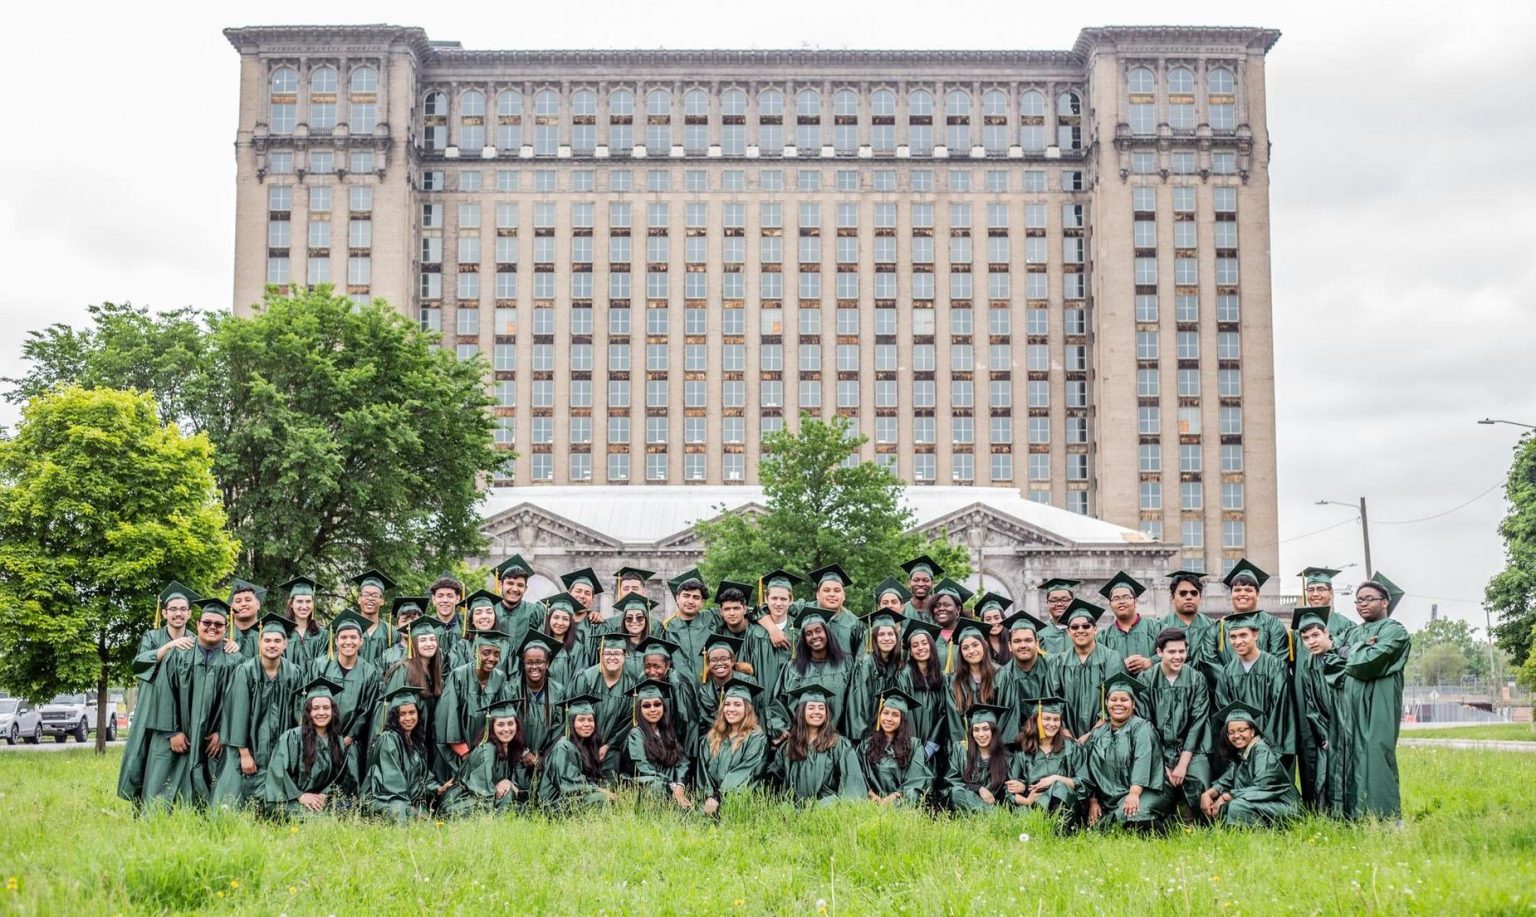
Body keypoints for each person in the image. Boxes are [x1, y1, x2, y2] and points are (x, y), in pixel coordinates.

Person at [134, 597, 243, 809]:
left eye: (218, 624)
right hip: (179, 733)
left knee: (212, 786)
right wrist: (172, 732)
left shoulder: (235, 661)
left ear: (226, 628)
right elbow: (164, 693)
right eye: (207, 623)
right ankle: (162, 817)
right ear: (198, 624)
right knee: (166, 783)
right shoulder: (177, 655)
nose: (212, 627)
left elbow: (236, 702)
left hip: (212, 736)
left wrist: (224, 733)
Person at [1322, 574, 1411, 821]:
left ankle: (1382, 818)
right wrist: (1356, 648)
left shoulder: (1395, 631)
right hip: (1348, 707)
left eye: (1369, 599)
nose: (1362, 604)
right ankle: (1350, 817)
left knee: (1375, 755)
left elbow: (1369, 661)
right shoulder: (1353, 632)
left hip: (1378, 705)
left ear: (1385, 602)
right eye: (1358, 600)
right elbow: (1330, 662)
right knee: (1348, 756)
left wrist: (1349, 652)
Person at [118, 581, 199, 805]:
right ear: (164, 613)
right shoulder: (152, 637)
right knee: (146, 757)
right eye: (173, 609)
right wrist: (169, 647)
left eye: (183, 609)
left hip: (183, 710)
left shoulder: (195, 640)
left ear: (190, 613)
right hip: (151, 708)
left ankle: (180, 805)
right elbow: (139, 664)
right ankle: (143, 804)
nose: (178, 613)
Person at [213, 613, 304, 809]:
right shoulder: (245, 671)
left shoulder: (294, 673)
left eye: (277, 641)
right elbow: (237, 714)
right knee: (238, 796)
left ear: (285, 644)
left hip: (279, 743)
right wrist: (244, 753)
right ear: (259, 643)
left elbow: (299, 712)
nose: (272, 645)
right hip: (248, 744)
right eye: (268, 640)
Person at [1292, 566, 1356, 811]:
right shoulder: (1299, 631)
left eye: (1320, 589)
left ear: (1331, 592)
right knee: (1310, 754)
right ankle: (1314, 807)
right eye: (1311, 589)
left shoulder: (1346, 625)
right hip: (1308, 700)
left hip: (1337, 701)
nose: (1315, 594)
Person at [1080, 672, 1174, 830]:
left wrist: (1134, 793)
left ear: (1133, 704)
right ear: (1106, 702)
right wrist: (1094, 801)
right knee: (1123, 816)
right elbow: (1089, 769)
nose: (1118, 704)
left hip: (1148, 791)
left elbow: (1143, 761)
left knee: (1132, 813)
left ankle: (1112, 826)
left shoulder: (1142, 728)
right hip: (1113, 798)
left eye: (1124, 700)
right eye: (1113, 699)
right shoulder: (1097, 733)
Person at [1139, 628, 1212, 817]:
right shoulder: (1146, 679)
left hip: (1192, 750)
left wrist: (1182, 764)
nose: (1178, 657)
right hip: (1157, 750)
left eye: (1182, 651)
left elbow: (1198, 722)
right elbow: (1145, 725)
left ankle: (1191, 816)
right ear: (1159, 652)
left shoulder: (1196, 679)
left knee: (1200, 784)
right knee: (1152, 793)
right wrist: (1161, 763)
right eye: (1171, 652)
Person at [306, 611, 380, 787]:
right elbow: (309, 701)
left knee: (350, 783)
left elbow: (366, 709)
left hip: (351, 740)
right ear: (336, 641)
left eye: (354, 637)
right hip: (319, 736)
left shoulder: (370, 673)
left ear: (361, 641)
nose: (349, 641)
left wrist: (348, 737)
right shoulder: (320, 665)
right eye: (344, 637)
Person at [263, 676, 354, 818]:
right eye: (315, 708)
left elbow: (340, 778)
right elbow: (278, 772)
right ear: (308, 712)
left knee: (348, 809)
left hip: (320, 800)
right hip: (291, 799)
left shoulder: (337, 741)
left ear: (333, 711)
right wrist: (301, 796)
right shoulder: (291, 737)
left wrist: (324, 795)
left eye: (326, 708)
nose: (321, 713)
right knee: (319, 818)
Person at [1214, 610, 1296, 766]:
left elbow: (1280, 710)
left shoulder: (1275, 667)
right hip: (1240, 748)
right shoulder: (1227, 672)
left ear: (1256, 634)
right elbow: (1226, 709)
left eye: (1243, 635)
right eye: (1233, 636)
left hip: (1272, 748)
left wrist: (1263, 745)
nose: (1238, 641)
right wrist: (1241, 741)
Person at [1200, 701, 1301, 826]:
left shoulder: (1261, 751)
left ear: (1252, 731)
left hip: (1286, 808)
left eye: (1241, 730)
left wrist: (1226, 796)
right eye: (1231, 732)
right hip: (1268, 806)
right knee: (1229, 805)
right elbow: (1226, 780)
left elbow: (1263, 787)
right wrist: (1207, 794)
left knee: (1235, 806)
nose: (1236, 736)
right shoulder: (1242, 754)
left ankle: (1257, 834)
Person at [361, 686, 450, 822]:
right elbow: (391, 784)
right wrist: (411, 810)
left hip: (408, 802)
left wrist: (438, 788)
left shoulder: (415, 741)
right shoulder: (388, 739)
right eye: (402, 714)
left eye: (412, 712)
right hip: (387, 801)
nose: (408, 718)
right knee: (403, 814)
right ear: (394, 717)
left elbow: (423, 778)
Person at [769, 605, 857, 740]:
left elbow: (854, 700)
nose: (814, 636)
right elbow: (778, 702)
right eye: (808, 634)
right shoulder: (792, 668)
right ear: (803, 639)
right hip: (801, 739)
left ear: (827, 633)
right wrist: (781, 728)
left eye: (818, 631)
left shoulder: (846, 663)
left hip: (837, 738)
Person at [379, 617, 450, 781]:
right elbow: (390, 708)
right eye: (423, 640)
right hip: (404, 737)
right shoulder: (403, 670)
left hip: (424, 735)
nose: (429, 644)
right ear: (413, 644)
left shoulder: (434, 673)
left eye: (432, 639)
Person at [772, 685, 867, 805]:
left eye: (821, 708)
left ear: (826, 713)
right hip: (793, 809)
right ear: (801, 712)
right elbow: (774, 780)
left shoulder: (838, 744)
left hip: (826, 808)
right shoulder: (788, 746)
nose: (817, 712)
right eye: (811, 707)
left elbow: (852, 780)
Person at [436, 627, 514, 772]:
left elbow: (503, 715)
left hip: (488, 751)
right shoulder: (458, 676)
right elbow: (448, 716)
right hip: (459, 752)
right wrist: (465, 753)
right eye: (486, 653)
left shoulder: (500, 678)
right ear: (474, 652)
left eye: (497, 654)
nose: (492, 658)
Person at [438, 699, 532, 817]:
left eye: (510, 723)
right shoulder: (487, 750)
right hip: (460, 802)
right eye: (500, 724)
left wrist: (510, 784)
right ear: (491, 727)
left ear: (517, 725)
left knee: (518, 805)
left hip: (485, 798)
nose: (507, 729)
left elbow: (520, 789)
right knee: (508, 803)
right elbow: (482, 793)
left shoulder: (513, 749)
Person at [1295, 605, 1345, 813]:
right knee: (1324, 775)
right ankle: (1328, 817)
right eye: (1306, 638)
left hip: (1349, 726)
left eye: (1316, 635)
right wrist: (1324, 735)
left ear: (1326, 632)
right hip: (1327, 729)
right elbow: (1311, 706)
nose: (1312, 641)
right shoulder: (1308, 665)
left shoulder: (1344, 656)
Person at [570, 634, 639, 779]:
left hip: (610, 749)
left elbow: (627, 722)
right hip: (581, 744)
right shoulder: (585, 678)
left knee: (610, 787)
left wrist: (608, 745)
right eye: (607, 653)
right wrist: (584, 745)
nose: (612, 657)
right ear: (600, 654)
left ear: (625, 655)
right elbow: (573, 713)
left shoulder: (631, 686)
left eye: (617, 653)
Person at [695, 679, 768, 815]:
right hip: (709, 802)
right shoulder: (711, 738)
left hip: (739, 800)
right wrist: (709, 796)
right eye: (727, 704)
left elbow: (745, 772)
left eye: (737, 705)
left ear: (747, 709)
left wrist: (718, 796)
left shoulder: (755, 738)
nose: (731, 709)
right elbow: (703, 773)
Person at [537, 694, 618, 811]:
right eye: (581, 720)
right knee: (601, 798)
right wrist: (599, 790)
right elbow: (569, 784)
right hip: (554, 804)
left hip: (571, 799)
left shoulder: (586, 745)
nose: (587, 724)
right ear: (571, 723)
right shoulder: (563, 747)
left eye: (590, 720)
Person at [1055, 598, 1120, 742]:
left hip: (1105, 735)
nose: (1080, 630)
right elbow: (1054, 699)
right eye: (1075, 627)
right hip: (1067, 737)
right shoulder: (1060, 662)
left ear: (1095, 629)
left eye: (1086, 626)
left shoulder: (1111, 657)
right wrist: (1064, 731)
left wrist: (1092, 734)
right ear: (1068, 632)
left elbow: (1116, 697)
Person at [621, 679, 692, 809]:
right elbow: (641, 768)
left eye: (657, 704)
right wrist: (671, 785)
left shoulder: (667, 733)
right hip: (647, 785)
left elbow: (682, 761)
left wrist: (680, 784)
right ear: (639, 709)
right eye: (646, 706)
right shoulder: (636, 734)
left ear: (663, 707)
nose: (653, 709)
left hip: (670, 785)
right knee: (657, 787)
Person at [857, 689, 932, 806]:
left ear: (902, 720)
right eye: (885, 713)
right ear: (880, 715)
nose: (888, 719)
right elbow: (858, 773)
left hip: (898, 799)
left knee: (912, 795)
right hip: (872, 798)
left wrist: (893, 797)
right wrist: (871, 794)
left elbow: (916, 778)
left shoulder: (914, 745)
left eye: (895, 715)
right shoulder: (866, 744)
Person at [993, 611, 1057, 744]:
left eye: (1028, 640)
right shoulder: (1002, 676)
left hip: (1050, 739)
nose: (1023, 645)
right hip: (1015, 743)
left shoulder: (1053, 667)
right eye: (1017, 641)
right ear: (1010, 646)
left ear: (1037, 642)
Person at [895, 618, 950, 769]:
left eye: (924, 643)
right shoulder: (904, 675)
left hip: (935, 741)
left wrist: (931, 745)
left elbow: (944, 712)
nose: (920, 648)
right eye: (915, 645)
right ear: (911, 652)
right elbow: (902, 711)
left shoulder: (941, 677)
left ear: (932, 647)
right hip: (909, 738)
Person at [1014, 696, 1081, 817]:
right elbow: (1010, 789)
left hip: (1064, 808)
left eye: (1056, 719)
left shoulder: (1071, 748)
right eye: (1047, 719)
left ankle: (1058, 829)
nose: (1052, 724)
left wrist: (1056, 778)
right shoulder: (1022, 752)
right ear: (1036, 720)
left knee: (1060, 788)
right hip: (1033, 806)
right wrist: (1026, 797)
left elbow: (1084, 782)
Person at [508, 631, 567, 768]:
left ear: (547, 664)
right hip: (516, 757)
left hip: (547, 759)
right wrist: (524, 752)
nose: (534, 667)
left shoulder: (558, 691)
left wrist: (544, 755)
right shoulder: (511, 689)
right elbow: (507, 725)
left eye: (539, 662)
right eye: (529, 662)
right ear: (523, 664)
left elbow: (559, 727)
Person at [941, 702, 1014, 811]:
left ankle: (987, 815)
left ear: (993, 731)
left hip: (992, 804)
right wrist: (978, 788)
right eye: (976, 730)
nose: (980, 735)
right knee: (956, 793)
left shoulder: (1006, 757)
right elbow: (950, 781)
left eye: (985, 729)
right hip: (965, 801)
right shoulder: (960, 750)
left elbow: (1008, 791)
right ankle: (993, 816)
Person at [1155, 570, 1220, 692]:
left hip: (1207, 692)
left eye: (1194, 593)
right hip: (1168, 691)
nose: (1189, 597)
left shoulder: (1214, 627)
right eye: (1183, 593)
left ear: (1200, 597)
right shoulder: (1159, 626)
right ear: (1172, 598)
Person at [849, 608, 906, 740]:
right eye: (881, 635)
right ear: (873, 638)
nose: (887, 638)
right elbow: (859, 704)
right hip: (867, 733)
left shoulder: (895, 663)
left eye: (891, 634)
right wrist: (862, 739)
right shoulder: (866, 663)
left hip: (886, 728)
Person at [1216, 560, 1289, 661]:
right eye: (1237, 590)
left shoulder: (1273, 625)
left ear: (1258, 594)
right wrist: (1231, 676)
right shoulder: (1218, 628)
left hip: (1266, 677)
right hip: (1226, 677)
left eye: (1248, 590)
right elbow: (1211, 662)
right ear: (1231, 595)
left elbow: (1278, 662)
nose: (1242, 594)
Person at [714, 580, 782, 688]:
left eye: (736, 608)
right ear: (721, 612)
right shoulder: (719, 634)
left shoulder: (761, 636)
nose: (732, 613)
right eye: (727, 609)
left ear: (745, 609)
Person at [944, 618, 999, 743]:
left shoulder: (1001, 675)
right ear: (960, 652)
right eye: (965, 648)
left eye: (975, 645)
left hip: (996, 748)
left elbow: (1007, 716)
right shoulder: (954, 682)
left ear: (984, 645)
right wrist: (963, 750)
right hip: (967, 748)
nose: (971, 651)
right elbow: (955, 722)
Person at [661, 568, 722, 675]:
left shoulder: (712, 618)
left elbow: (738, 610)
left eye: (696, 597)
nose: (690, 601)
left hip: (710, 685)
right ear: (677, 599)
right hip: (679, 687)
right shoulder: (667, 628)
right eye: (686, 596)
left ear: (702, 602)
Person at [1097, 572, 1159, 675]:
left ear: (1135, 601)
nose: (1121, 601)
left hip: (1152, 689)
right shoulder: (1102, 638)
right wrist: (1120, 666)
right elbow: (1096, 668)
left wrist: (1150, 661)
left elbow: (1176, 652)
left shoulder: (1157, 627)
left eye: (1126, 597)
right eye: (1116, 598)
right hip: (1118, 690)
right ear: (1110, 605)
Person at [805, 564, 865, 659]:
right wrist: (772, 626)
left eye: (837, 591)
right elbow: (778, 607)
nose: (832, 594)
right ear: (817, 595)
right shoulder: (805, 611)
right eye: (826, 590)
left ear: (844, 595)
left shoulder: (855, 624)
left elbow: (860, 659)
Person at [450, 590, 515, 675]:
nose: (484, 616)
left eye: (489, 612)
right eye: (478, 613)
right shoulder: (461, 647)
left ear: (495, 617)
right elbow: (457, 677)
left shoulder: (506, 647)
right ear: (472, 620)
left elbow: (514, 678)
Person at [493, 555, 546, 651]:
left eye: (520, 585)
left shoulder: (536, 611)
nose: (514, 589)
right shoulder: (490, 610)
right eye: (510, 583)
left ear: (525, 589)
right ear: (501, 585)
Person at [348, 569, 398, 667]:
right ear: (359, 599)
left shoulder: (393, 633)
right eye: (366, 594)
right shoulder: (348, 630)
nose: (370, 598)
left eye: (375, 595)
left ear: (382, 601)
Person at [541, 592, 588, 687]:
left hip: (567, 700)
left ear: (571, 623)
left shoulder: (578, 649)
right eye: (556, 617)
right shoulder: (540, 646)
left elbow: (579, 681)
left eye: (565, 619)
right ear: (549, 619)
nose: (560, 622)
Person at [279, 576, 327, 668]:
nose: (304, 606)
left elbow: (324, 666)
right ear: (291, 604)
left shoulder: (323, 634)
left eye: (308, 601)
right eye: (300, 601)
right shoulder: (282, 632)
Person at [927, 579, 974, 669]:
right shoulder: (929, 636)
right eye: (937, 606)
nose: (941, 608)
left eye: (947, 605)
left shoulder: (969, 635)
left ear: (958, 609)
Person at [380, 596, 430, 668]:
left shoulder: (431, 651)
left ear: (421, 623)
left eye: (413, 619)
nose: (409, 624)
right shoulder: (387, 655)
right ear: (397, 625)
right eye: (404, 620)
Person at [426, 575, 467, 663]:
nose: (445, 600)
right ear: (434, 599)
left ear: (457, 599)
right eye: (440, 596)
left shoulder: (466, 625)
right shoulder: (426, 627)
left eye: (449, 596)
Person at [1037, 578, 1082, 655]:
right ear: (1047, 604)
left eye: (1065, 600)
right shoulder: (1040, 633)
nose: (1059, 604)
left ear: (1072, 602)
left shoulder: (1083, 630)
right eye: (1054, 600)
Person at [226, 580, 267, 658]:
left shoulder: (268, 636)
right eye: (238, 601)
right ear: (231, 607)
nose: (243, 604)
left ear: (258, 604)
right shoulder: (221, 634)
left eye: (248, 600)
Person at [899, 555, 943, 621]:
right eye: (916, 580)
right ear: (909, 583)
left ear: (932, 584)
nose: (920, 584)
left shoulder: (941, 610)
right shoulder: (901, 611)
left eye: (925, 580)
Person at [974, 592, 1013, 666]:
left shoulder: (1013, 639)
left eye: (997, 618)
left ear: (1003, 619)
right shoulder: (979, 644)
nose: (993, 622)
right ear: (983, 622)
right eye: (988, 619)